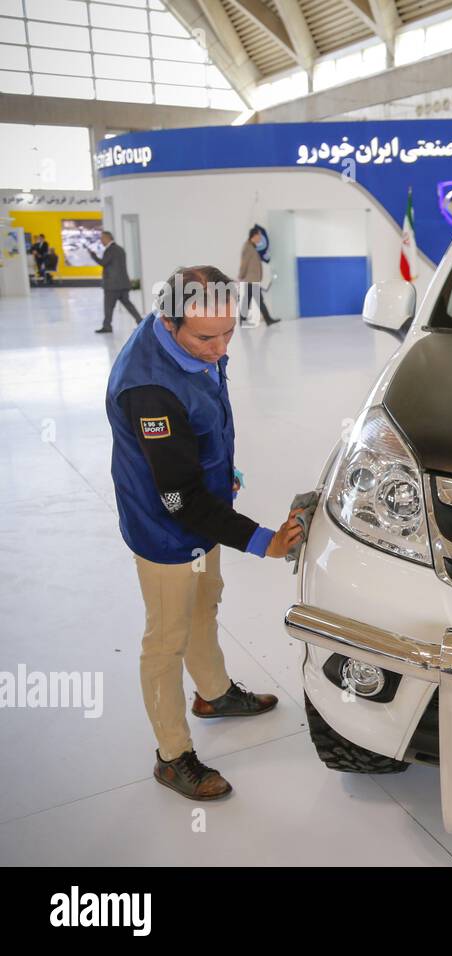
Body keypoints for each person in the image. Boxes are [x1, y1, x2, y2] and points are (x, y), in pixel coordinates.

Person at [105, 265, 304, 799]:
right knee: (166, 638)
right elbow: (178, 499)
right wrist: (263, 540)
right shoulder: (149, 391)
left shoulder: (190, 343)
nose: (219, 349)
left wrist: (220, 473)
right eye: (204, 338)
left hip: (200, 510)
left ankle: (213, 694)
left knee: (204, 602)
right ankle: (172, 755)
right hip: (165, 530)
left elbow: (201, 434)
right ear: (168, 323)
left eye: (228, 333)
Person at [89, 229, 143, 333]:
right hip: (123, 283)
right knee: (128, 304)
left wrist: (93, 256)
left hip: (112, 285)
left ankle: (107, 326)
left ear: (107, 238)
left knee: (108, 306)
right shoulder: (120, 249)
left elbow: (103, 262)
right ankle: (140, 321)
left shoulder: (110, 250)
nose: (101, 241)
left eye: (102, 238)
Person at [237, 227, 279, 326]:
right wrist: (241, 275)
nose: (260, 237)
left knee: (247, 300)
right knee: (259, 301)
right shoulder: (247, 247)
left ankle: (243, 320)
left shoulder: (252, 247)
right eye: (259, 235)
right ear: (254, 236)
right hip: (251, 279)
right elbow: (244, 263)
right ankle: (268, 320)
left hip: (252, 279)